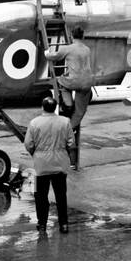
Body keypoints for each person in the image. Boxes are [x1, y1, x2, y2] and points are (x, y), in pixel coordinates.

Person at [23, 96, 75, 233]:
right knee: (61, 195)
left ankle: (42, 225)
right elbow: (71, 143)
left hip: (41, 165)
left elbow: (28, 144)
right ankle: (64, 224)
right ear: (55, 107)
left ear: (42, 107)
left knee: (40, 196)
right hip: (60, 163)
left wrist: (36, 153)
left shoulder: (34, 123)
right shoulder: (65, 122)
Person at [44, 26, 93, 168]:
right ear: (82, 36)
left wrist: (46, 52)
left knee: (61, 81)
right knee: (79, 113)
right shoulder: (87, 49)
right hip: (87, 82)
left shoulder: (68, 48)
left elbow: (52, 57)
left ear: (71, 36)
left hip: (72, 82)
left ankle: (68, 103)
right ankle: (70, 129)